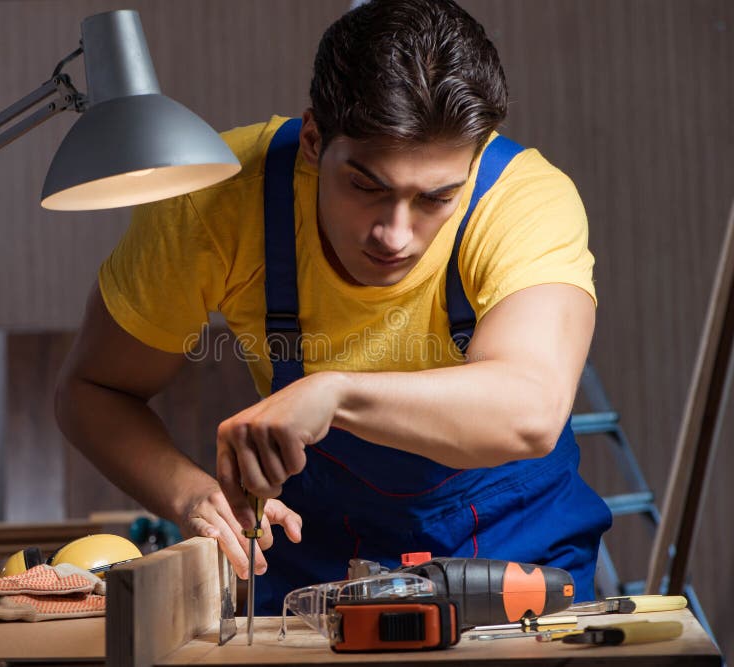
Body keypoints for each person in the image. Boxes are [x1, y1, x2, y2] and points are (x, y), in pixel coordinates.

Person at [55, 0, 612, 613]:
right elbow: (93, 390)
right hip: (315, 571)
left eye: (436, 197)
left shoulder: (525, 202)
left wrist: (334, 393)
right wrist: (190, 495)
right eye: (367, 187)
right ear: (316, 140)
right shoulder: (215, 206)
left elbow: (530, 412)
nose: (395, 235)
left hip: (516, 555)